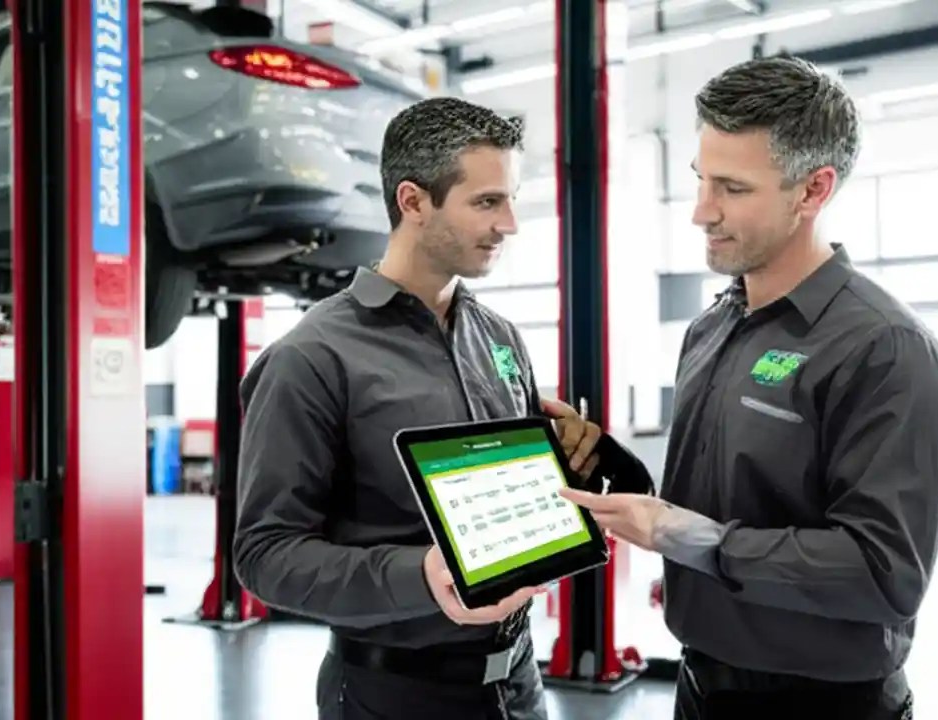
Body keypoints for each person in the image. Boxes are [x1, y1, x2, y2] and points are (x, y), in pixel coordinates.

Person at [562, 55, 938, 719]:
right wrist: (603, 460)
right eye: (699, 180)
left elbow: (883, 573)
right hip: (700, 687)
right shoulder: (713, 326)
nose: (699, 212)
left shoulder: (887, 351)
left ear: (812, 191)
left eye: (732, 189)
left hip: (819, 705)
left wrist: (687, 540)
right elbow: (720, 499)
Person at [233, 96, 653, 720]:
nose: (509, 223)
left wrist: (572, 466)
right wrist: (421, 576)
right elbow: (265, 555)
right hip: (394, 696)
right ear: (413, 202)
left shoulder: (500, 337)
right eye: (487, 202)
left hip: (517, 686)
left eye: (510, 199)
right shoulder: (312, 358)